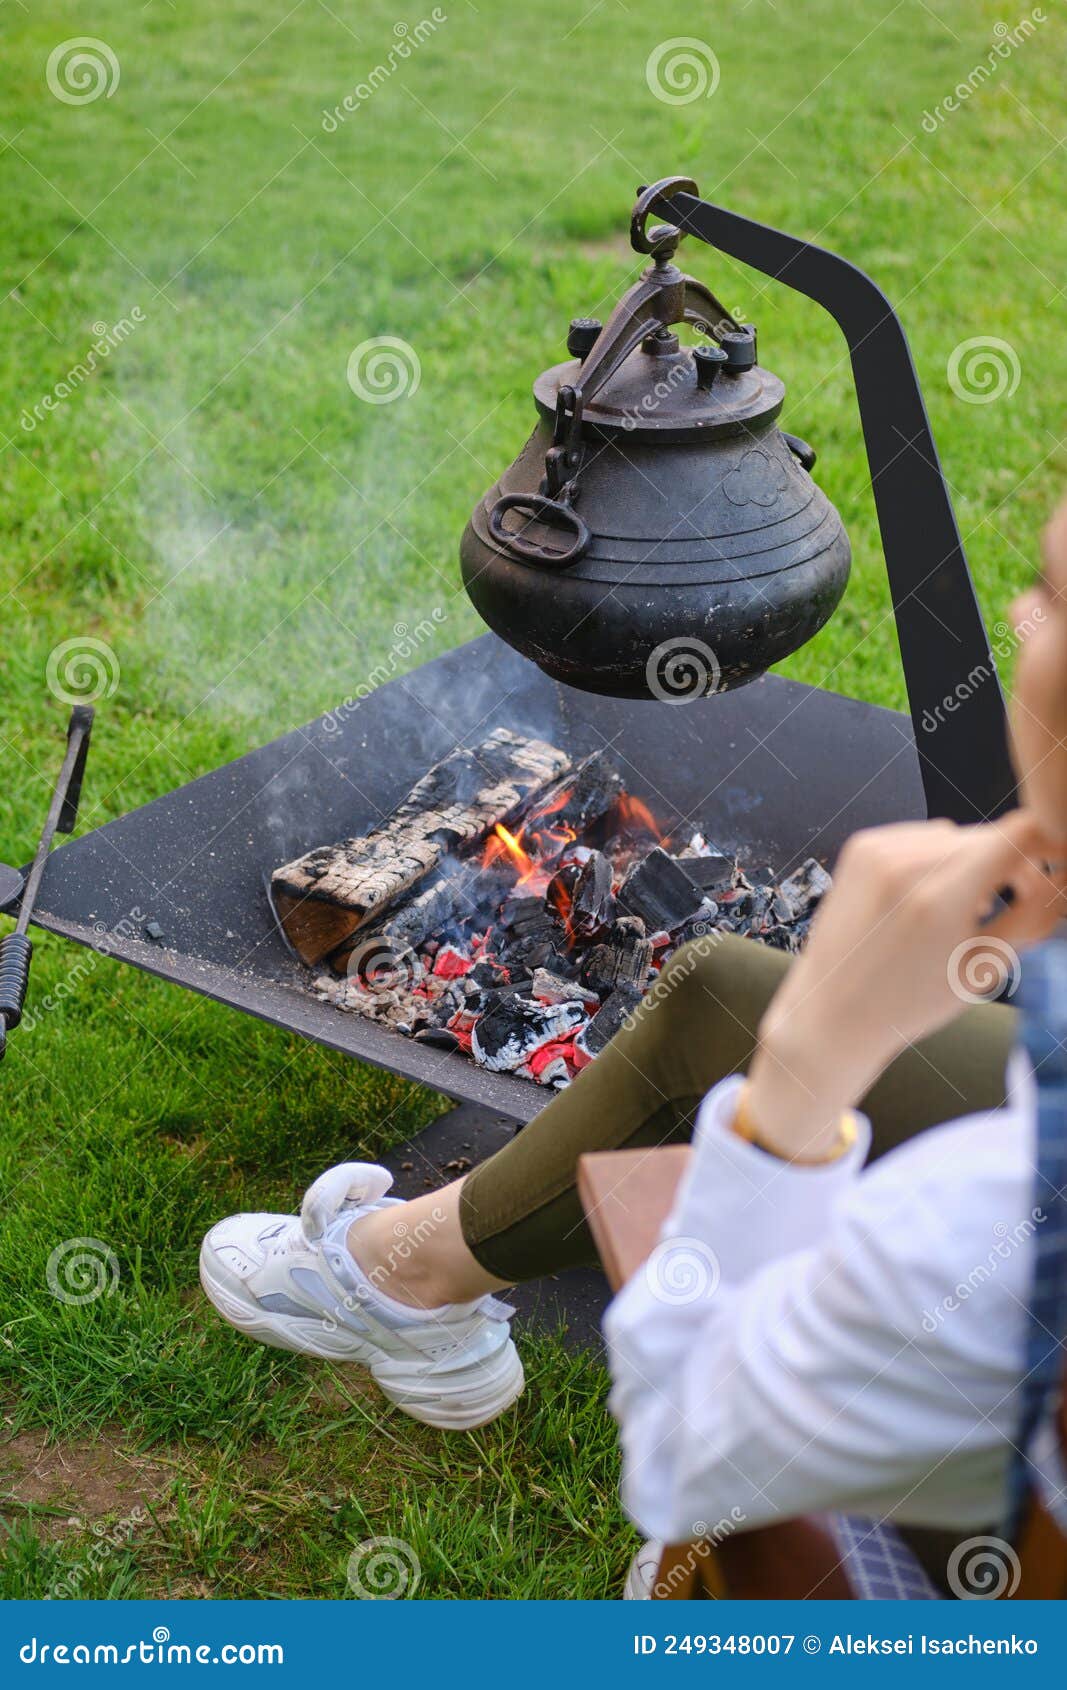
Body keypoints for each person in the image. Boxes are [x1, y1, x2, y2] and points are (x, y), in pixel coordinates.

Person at [200, 497, 1067, 1575]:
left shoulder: (989, 1210)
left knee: (721, 1005)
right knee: (718, 989)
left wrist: (807, 1065)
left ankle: (395, 1281)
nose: (1024, 621)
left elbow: (693, 1455)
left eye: (1052, 599)